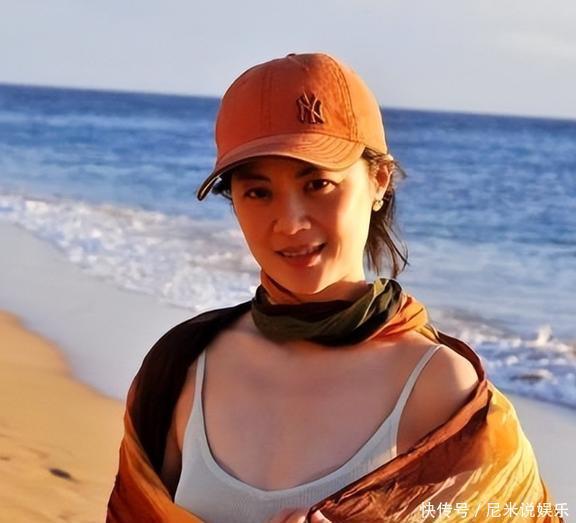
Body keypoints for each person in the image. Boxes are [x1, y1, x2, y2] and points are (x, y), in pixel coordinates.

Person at [107, 53, 562, 523]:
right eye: (258, 192)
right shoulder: (183, 367)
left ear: (379, 180)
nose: (290, 223)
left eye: (318, 184)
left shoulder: (441, 389)